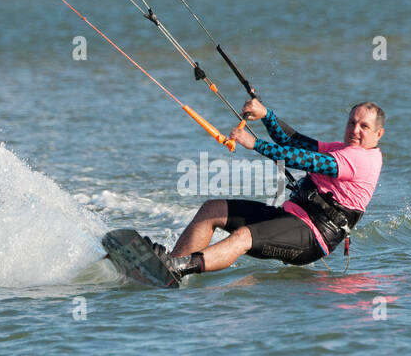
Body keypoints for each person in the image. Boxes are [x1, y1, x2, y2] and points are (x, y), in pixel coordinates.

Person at [147, 99, 385, 276]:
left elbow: (303, 160)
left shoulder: (361, 160)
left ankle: (177, 268)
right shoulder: (340, 149)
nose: (355, 130)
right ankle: (169, 267)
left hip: (314, 235)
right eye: (352, 123)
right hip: (290, 216)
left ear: (378, 133)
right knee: (212, 210)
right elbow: (293, 141)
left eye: (364, 126)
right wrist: (266, 115)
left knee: (243, 236)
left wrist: (256, 144)